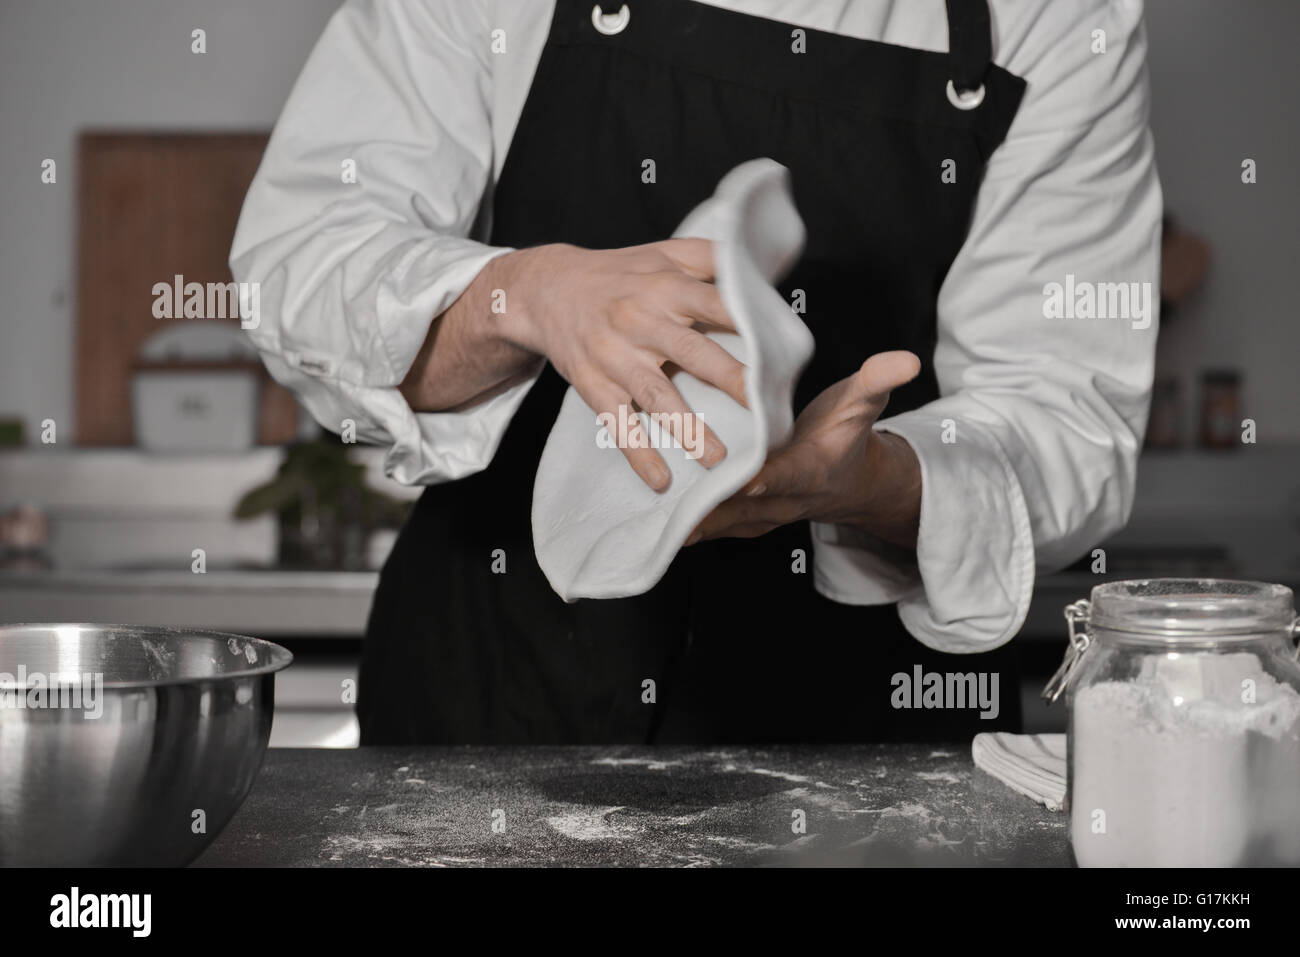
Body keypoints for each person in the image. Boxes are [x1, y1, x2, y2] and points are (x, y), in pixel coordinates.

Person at [231, 0, 1161, 744]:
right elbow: (302, 264)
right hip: (494, 681)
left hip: (861, 727)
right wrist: (527, 293)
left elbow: (1066, 416)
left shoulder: (1055, 17)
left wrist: (864, 478)